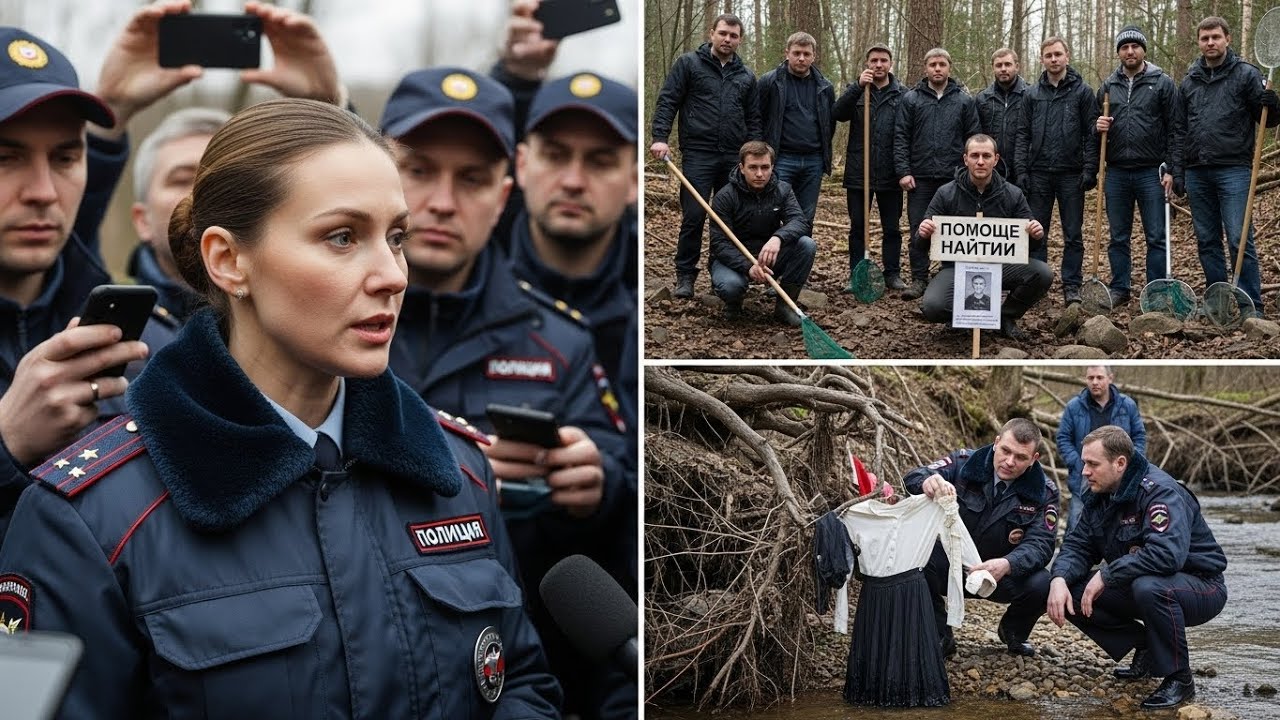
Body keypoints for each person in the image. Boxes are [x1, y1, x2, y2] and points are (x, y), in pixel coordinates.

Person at [0, 98, 561, 718]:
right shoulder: (90, 519)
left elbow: (521, 685)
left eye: (395, 237)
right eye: (342, 237)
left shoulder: (460, 473)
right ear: (228, 260)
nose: (393, 275)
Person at [379, 66, 634, 720]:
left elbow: (614, 487)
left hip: (509, 674)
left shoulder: (560, 341)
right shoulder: (321, 324)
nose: (442, 202)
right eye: (418, 171)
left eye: (471, 180)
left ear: (503, 194)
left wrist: (595, 483)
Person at [0, 19, 188, 540]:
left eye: (66, 157)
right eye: (5, 158)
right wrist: (6, 443)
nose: (43, 192)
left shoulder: (148, 348)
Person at [1048, 426, 1227, 710]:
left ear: (1120, 463)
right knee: (1071, 589)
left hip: (1201, 586)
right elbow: (1078, 545)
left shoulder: (1160, 492)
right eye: (1084, 463)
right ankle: (1145, 646)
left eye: (1093, 464)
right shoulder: (1099, 493)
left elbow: (1167, 555)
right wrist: (1058, 578)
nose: (1085, 471)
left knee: (1149, 587)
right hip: (1141, 583)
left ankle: (1180, 678)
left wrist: (1106, 574)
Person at [509, 72, 638, 416]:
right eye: (555, 156)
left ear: (634, 182)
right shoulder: (469, 285)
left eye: (600, 162)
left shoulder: (641, 312)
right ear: (522, 165)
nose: (573, 182)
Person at [905, 418, 1059, 659]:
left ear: (1034, 458)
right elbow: (913, 476)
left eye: (1020, 457)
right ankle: (939, 633)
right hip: (951, 565)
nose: (1009, 462)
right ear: (996, 443)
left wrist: (1008, 563)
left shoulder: (1045, 491)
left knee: (1043, 583)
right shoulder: (963, 463)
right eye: (1005, 450)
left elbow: (1041, 544)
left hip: (1000, 574)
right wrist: (928, 481)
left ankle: (1013, 632)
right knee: (915, 557)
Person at [1171, 16, 1279, 318]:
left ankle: (1250, 305)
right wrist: (1178, 170)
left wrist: (1272, 103)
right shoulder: (1189, 81)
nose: (1210, 43)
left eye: (1215, 37)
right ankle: (1216, 303)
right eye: (1205, 38)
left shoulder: (1246, 74)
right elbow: (1179, 130)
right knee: (1207, 240)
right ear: (1199, 42)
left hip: (1234, 169)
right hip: (1197, 170)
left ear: (1227, 39)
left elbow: (1269, 120)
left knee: (1238, 237)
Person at [650, 13, 761, 299]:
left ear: (740, 40)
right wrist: (660, 137)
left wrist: (753, 154)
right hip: (698, 153)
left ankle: (721, 273)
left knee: (728, 219)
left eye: (733, 36)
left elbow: (754, 118)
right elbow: (668, 100)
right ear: (711, 33)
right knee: (694, 215)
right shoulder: (688, 64)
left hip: (733, 157)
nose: (727, 39)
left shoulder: (746, 76)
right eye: (723, 33)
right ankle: (685, 275)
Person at [915, 135, 1053, 340]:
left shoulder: (1013, 194)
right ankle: (962, 317)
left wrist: (1036, 234)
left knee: (1042, 273)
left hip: (1001, 267)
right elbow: (919, 245)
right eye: (975, 156)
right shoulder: (945, 193)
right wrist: (923, 233)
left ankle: (1004, 316)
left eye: (986, 156)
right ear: (965, 159)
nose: (980, 161)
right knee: (933, 306)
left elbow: (1030, 246)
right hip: (957, 268)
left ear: (995, 159)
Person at [1095, 26, 1177, 306]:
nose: (1130, 52)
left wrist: (1172, 168)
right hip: (1117, 171)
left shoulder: (1163, 83)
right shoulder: (1108, 86)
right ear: (1119, 52)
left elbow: (1175, 128)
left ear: (1143, 50)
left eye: (1135, 47)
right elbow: (1094, 128)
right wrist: (1097, 126)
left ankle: (1155, 291)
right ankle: (1120, 287)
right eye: (1124, 47)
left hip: (1151, 171)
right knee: (1118, 236)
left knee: (1156, 235)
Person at [1015, 37, 1099, 303]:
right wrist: (1021, 170)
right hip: (1038, 172)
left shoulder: (1083, 92)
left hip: (1071, 174)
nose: (1054, 59)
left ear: (1067, 56)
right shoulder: (1031, 94)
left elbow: (1091, 134)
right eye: (1049, 55)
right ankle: (1037, 283)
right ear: (1042, 59)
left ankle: (1071, 284)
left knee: (1073, 233)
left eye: (1058, 54)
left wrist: (1090, 169)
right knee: (1037, 232)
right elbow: (1023, 134)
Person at [893, 48, 980, 300]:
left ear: (949, 67)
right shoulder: (911, 99)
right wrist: (903, 171)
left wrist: (968, 173)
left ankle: (950, 276)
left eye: (942, 64)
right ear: (926, 68)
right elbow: (901, 137)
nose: (937, 68)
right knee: (919, 228)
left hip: (954, 179)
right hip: (919, 178)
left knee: (955, 230)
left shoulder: (964, 101)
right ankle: (919, 278)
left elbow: (973, 138)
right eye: (933, 64)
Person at [126, 108, 228, 321]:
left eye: (221, 179)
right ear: (143, 221)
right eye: (182, 180)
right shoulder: (118, 331)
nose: (202, 193)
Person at [707, 140, 816, 325]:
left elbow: (800, 221)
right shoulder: (725, 197)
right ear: (742, 168)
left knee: (807, 244)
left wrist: (778, 238)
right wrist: (747, 266)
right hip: (734, 259)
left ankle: (785, 307)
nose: (759, 174)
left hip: (768, 256)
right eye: (753, 167)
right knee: (731, 286)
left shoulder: (783, 190)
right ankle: (733, 303)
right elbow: (719, 244)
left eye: (765, 167)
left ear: (772, 167)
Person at [833, 44, 906, 290]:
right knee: (857, 226)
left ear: (890, 64)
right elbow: (838, 113)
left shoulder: (902, 94)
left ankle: (892, 273)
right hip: (858, 172)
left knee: (892, 227)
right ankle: (857, 274)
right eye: (874, 60)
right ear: (867, 63)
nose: (878, 65)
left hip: (890, 172)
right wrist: (857, 86)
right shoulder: (857, 90)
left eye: (883, 60)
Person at [756, 31, 834, 224]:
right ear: (787, 53)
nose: (801, 58)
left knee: (805, 217)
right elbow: (758, 118)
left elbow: (828, 124)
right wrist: (762, 154)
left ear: (814, 56)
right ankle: (774, 244)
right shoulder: (769, 82)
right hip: (781, 158)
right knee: (774, 211)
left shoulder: (825, 87)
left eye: (806, 54)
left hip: (813, 160)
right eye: (796, 53)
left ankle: (802, 245)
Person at [1055, 365, 1146, 528]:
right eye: (1090, 378)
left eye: (1099, 377)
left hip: (1119, 475)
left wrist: (1131, 462)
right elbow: (1063, 438)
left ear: (1110, 378)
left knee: (1121, 522)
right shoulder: (1074, 406)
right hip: (1083, 476)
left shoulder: (1127, 405)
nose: (1095, 382)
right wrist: (1076, 462)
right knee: (1077, 523)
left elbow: (1139, 436)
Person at [975, 48, 1027, 186]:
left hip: (1024, 168)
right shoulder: (983, 99)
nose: (1003, 69)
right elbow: (977, 134)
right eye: (999, 65)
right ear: (993, 68)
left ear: (1017, 66)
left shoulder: (1029, 95)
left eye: (1007, 64)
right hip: (992, 169)